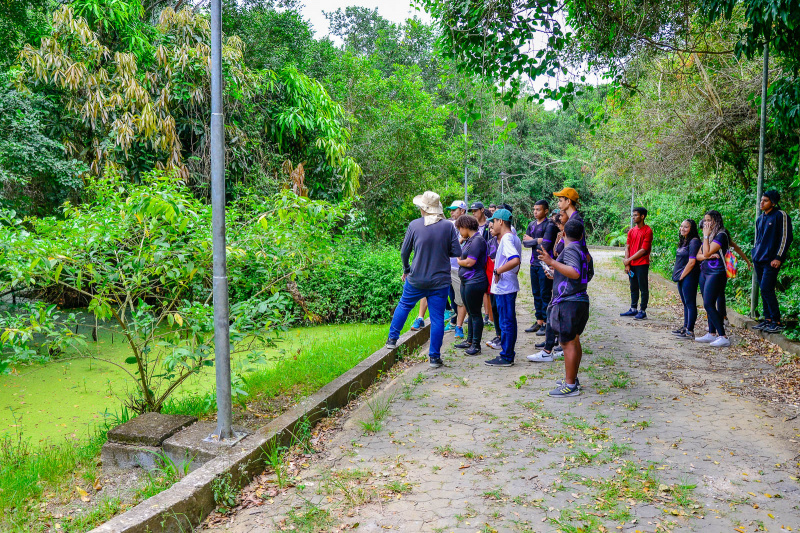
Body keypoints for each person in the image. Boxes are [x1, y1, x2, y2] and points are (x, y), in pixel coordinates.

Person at [386, 191, 462, 368]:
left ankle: (392, 339)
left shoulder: (414, 225)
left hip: (416, 278)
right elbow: (457, 252)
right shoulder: (448, 227)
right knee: (436, 318)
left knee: (404, 305)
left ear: (423, 208)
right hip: (440, 281)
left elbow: (404, 252)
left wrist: (407, 269)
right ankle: (434, 358)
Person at [538, 218, 593, 397]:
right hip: (579, 300)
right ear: (582, 235)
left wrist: (552, 262)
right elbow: (584, 274)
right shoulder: (583, 251)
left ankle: (569, 385)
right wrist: (557, 274)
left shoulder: (570, 249)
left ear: (563, 234)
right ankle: (573, 380)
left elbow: (575, 272)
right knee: (574, 341)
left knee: (567, 343)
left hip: (569, 303)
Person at [752, 190, 794, 333]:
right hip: (759, 259)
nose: (761, 203)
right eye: (761, 200)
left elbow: (786, 237)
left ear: (773, 203)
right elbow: (758, 240)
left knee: (766, 288)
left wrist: (778, 257)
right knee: (763, 290)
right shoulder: (760, 218)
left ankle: (777, 321)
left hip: (771, 260)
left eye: (765, 200)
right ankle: (768, 319)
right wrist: (754, 255)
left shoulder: (780, 215)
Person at [528, 210, 567, 362]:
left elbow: (550, 250)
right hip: (558, 276)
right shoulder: (560, 237)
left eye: (559, 222)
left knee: (555, 309)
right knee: (551, 307)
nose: (556, 224)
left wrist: (553, 266)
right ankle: (551, 344)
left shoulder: (571, 240)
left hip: (565, 282)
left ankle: (555, 345)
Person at [485, 208, 521, 366]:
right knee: (509, 321)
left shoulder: (506, 238)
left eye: (493, 221)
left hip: (505, 286)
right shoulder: (514, 237)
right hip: (509, 284)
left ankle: (506, 356)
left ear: (500, 222)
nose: (491, 224)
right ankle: (508, 353)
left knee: (506, 321)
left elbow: (515, 260)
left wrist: (497, 270)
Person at [695, 210, 731, 347]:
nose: (706, 223)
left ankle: (723, 336)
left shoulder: (721, 235)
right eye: (705, 220)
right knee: (707, 303)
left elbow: (707, 251)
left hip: (717, 272)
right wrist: (706, 255)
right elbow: (699, 255)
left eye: (709, 220)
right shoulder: (710, 236)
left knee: (709, 304)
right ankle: (712, 333)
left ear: (716, 220)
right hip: (705, 271)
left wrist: (705, 238)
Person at [454, 215, 489, 355]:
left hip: (475, 281)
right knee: (470, 312)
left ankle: (476, 345)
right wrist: (461, 240)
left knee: (475, 313)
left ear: (465, 227)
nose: (459, 231)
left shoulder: (478, 241)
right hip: (466, 281)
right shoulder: (469, 240)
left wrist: (458, 261)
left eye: (460, 229)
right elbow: (456, 249)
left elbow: (470, 262)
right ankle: (469, 341)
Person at [523, 200, 557, 334]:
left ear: (546, 211)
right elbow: (524, 243)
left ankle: (547, 323)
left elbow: (546, 246)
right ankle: (539, 321)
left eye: (538, 210)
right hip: (533, 264)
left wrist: (533, 241)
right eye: (534, 209)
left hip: (545, 264)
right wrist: (537, 240)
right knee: (536, 293)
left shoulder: (550, 225)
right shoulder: (531, 224)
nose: (535, 212)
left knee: (545, 294)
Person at [620, 207, 653, 320]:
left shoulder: (648, 231)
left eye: (636, 215)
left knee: (643, 287)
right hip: (632, 264)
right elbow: (627, 247)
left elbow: (644, 250)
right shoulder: (631, 231)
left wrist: (628, 260)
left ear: (642, 216)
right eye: (633, 215)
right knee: (633, 286)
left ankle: (642, 310)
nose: (633, 217)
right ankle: (633, 308)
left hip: (642, 264)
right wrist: (627, 263)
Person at [672, 219, 701, 339]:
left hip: (689, 276)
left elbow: (692, 261)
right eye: (681, 226)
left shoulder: (694, 241)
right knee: (685, 303)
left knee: (690, 303)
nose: (682, 229)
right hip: (681, 276)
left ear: (692, 229)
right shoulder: (684, 241)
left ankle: (690, 331)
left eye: (686, 227)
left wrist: (682, 276)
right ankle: (685, 327)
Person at [445, 200, 468, 339]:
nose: (451, 212)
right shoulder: (449, 225)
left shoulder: (468, 227)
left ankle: (459, 327)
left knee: (460, 299)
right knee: (451, 298)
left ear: (462, 211)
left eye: (454, 209)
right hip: (448, 267)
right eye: (451, 210)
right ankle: (453, 322)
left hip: (460, 268)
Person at [471, 201, 495, 328]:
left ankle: (490, 315)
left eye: (475, 210)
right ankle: (484, 314)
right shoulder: (472, 225)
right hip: (475, 262)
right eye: (472, 211)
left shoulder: (488, 225)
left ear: (482, 210)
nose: (474, 213)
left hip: (488, 260)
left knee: (488, 290)